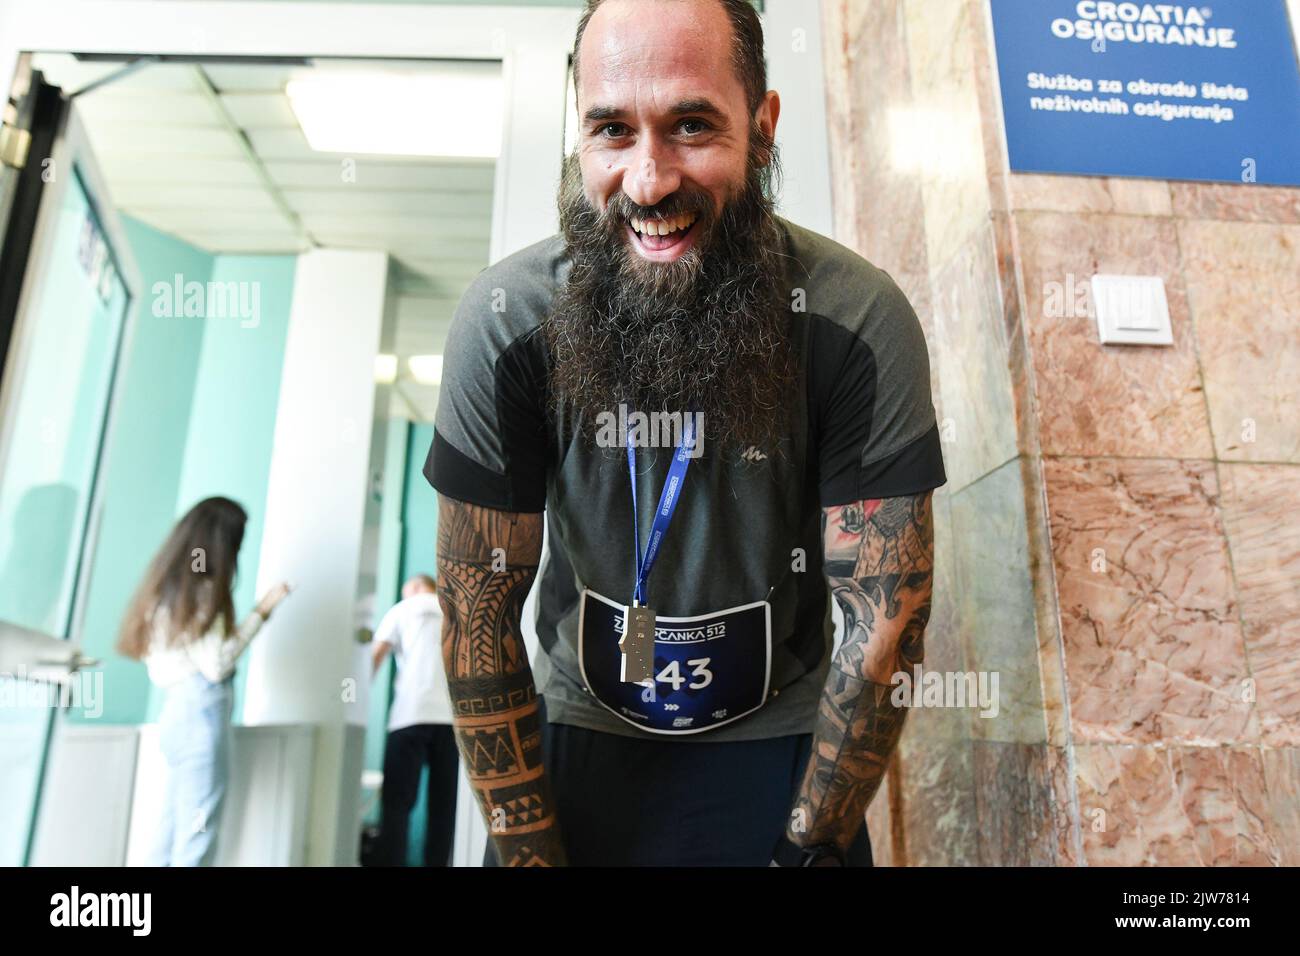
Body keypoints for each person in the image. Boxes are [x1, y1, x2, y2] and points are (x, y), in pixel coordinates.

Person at [426, 0, 946, 866]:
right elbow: (476, 619)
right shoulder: (505, 321)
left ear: (764, 126)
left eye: (692, 125)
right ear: (578, 135)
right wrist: (528, 854)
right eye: (612, 129)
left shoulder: (857, 319)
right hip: (574, 743)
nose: (648, 179)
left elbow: (886, 628)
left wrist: (807, 849)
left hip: (785, 755)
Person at [117, 496, 291, 867]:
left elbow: (159, 665)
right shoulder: (204, 588)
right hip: (200, 714)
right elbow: (217, 663)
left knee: (169, 829)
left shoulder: (166, 589)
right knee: (198, 832)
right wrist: (262, 611)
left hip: (175, 714)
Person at [369, 573, 458, 866]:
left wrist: (351, 697)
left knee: (397, 805)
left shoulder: (401, 609)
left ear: (417, 586)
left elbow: (376, 655)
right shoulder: (452, 608)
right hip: (450, 721)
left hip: (410, 716)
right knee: (443, 810)